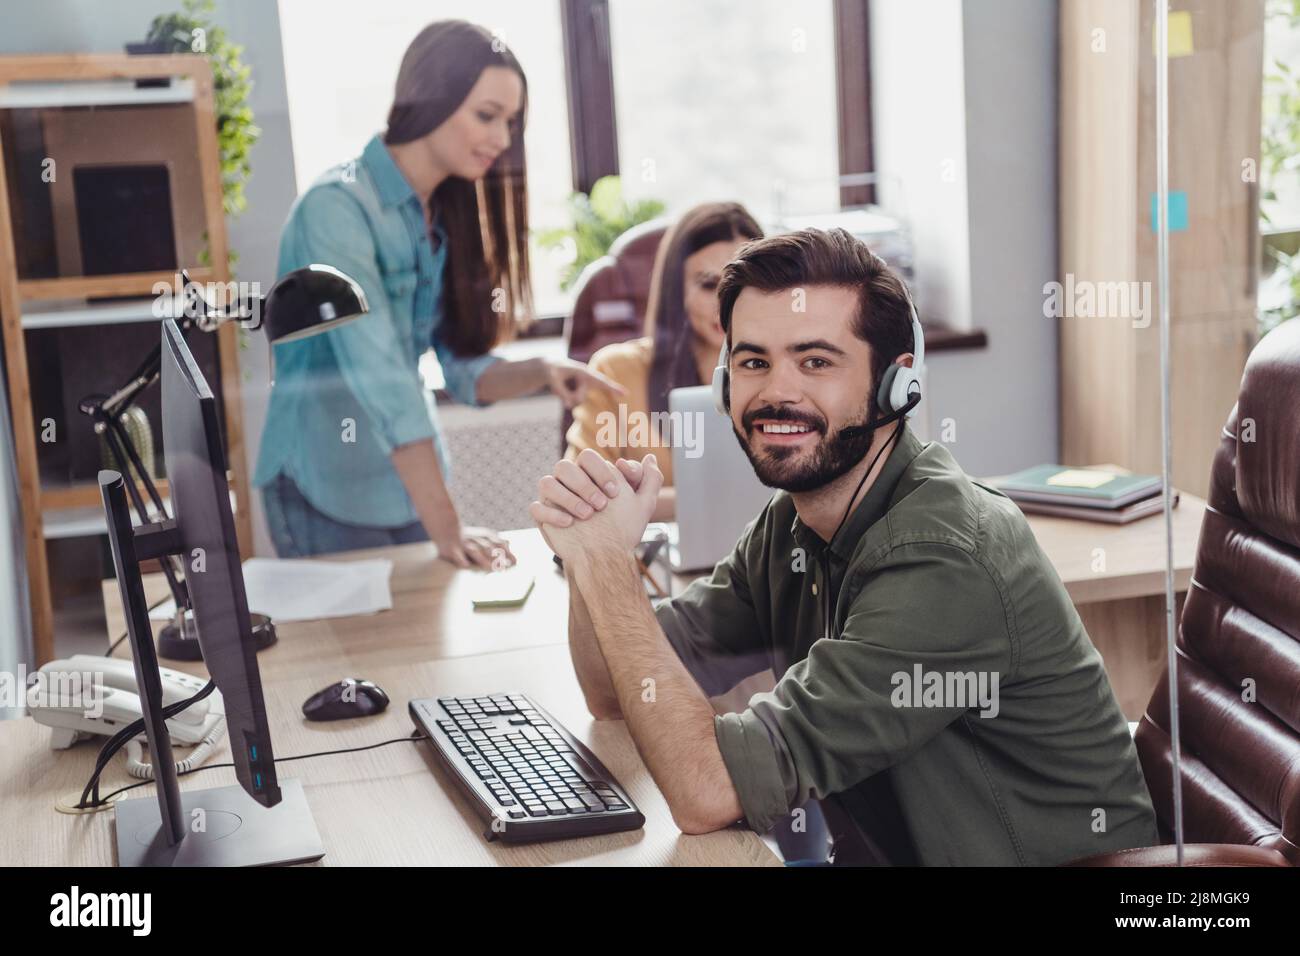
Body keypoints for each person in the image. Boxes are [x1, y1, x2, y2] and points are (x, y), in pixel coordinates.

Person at [527, 228, 1159, 865]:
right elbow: (612, 693)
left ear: (896, 383)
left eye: (816, 361)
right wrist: (588, 548)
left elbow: (706, 790)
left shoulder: (944, 558)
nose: (777, 391)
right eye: (753, 363)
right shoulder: (794, 525)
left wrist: (611, 564)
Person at [255, 20, 621, 568]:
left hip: (404, 489)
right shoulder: (335, 210)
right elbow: (385, 383)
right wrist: (450, 528)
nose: (502, 138)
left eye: (510, 121)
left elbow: (459, 368)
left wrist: (543, 370)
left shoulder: (444, 214)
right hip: (324, 488)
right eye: (486, 115)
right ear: (429, 100)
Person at [564, 202, 762, 520]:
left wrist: (648, 502)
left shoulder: (784, 375)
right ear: (676, 289)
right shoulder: (616, 372)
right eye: (709, 284)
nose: (724, 304)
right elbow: (580, 500)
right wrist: (722, 503)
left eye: (740, 285)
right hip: (659, 563)